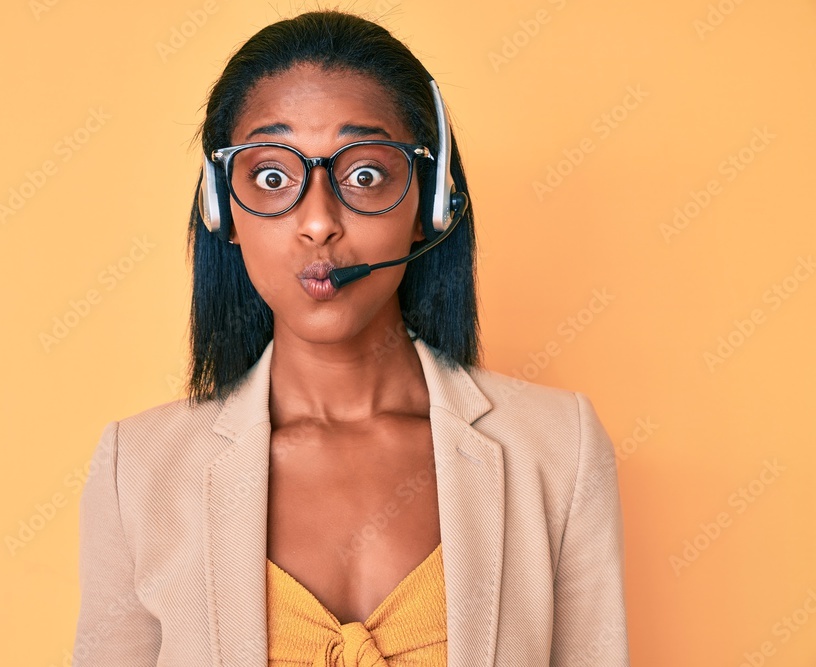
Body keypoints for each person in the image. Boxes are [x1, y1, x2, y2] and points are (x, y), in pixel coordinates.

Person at [72, 9, 630, 667]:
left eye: (364, 173)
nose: (317, 223)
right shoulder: (134, 469)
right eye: (272, 176)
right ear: (223, 208)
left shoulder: (559, 448)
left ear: (431, 204)